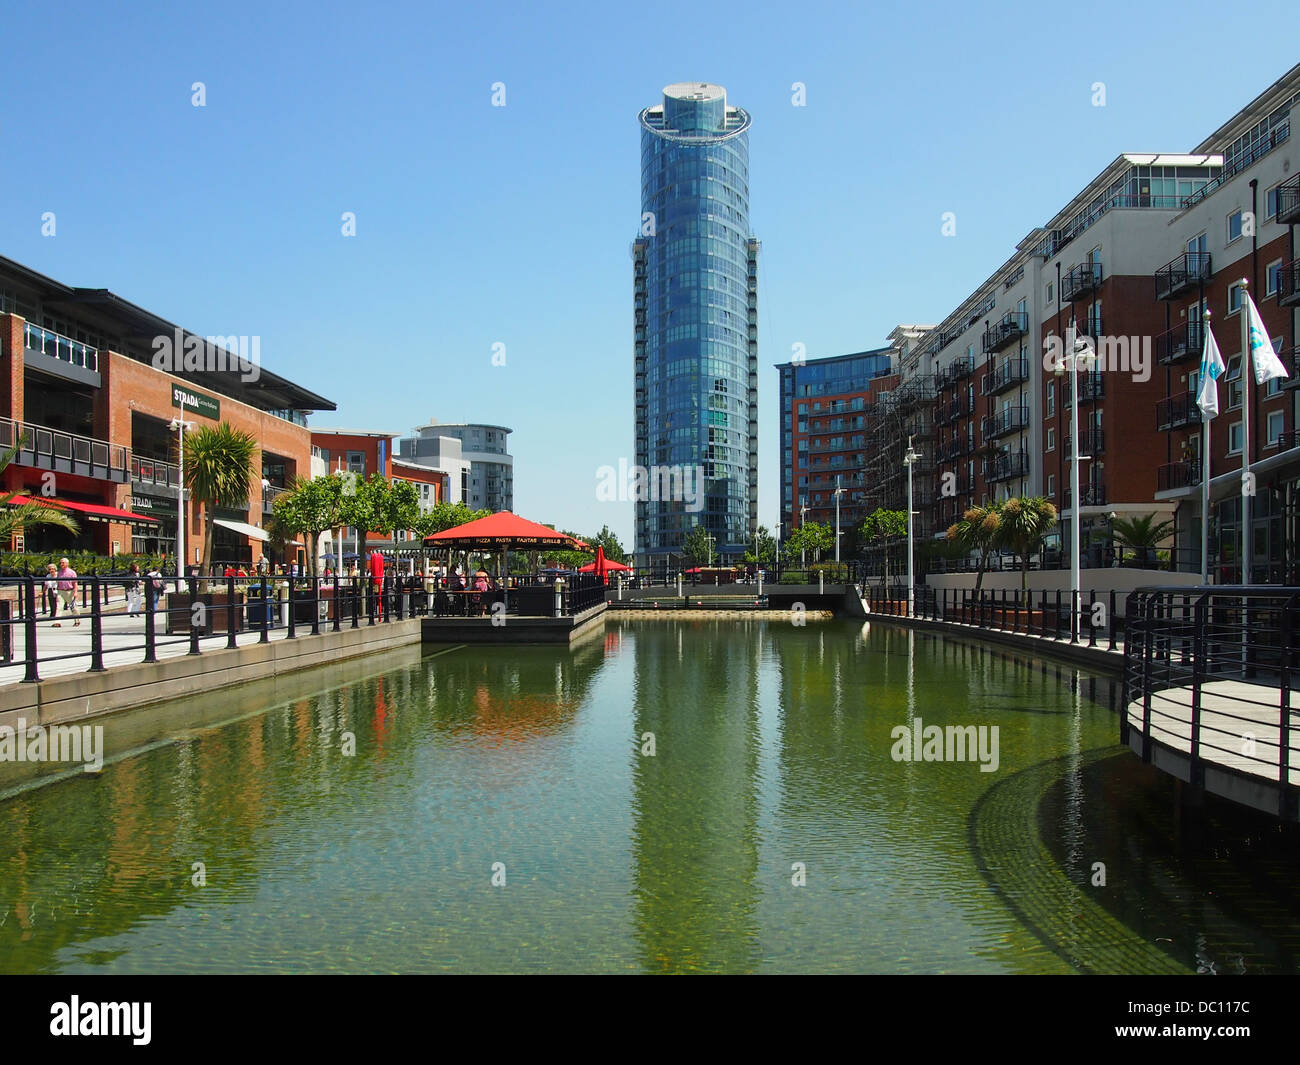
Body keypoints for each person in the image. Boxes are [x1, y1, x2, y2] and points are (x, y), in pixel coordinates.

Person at [53, 557, 79, 627]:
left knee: (73, 607)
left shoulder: (72, 572)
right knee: (59, 606)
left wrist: (75, 592)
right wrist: (56, 591)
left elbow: (75, 583)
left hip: (70, 591)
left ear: (67, 564)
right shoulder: (59, 572)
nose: (61, 564)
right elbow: (57, 582)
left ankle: (77, 620)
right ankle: (57, 622)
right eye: (60, 563)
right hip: (61, 591)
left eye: (63, 563)